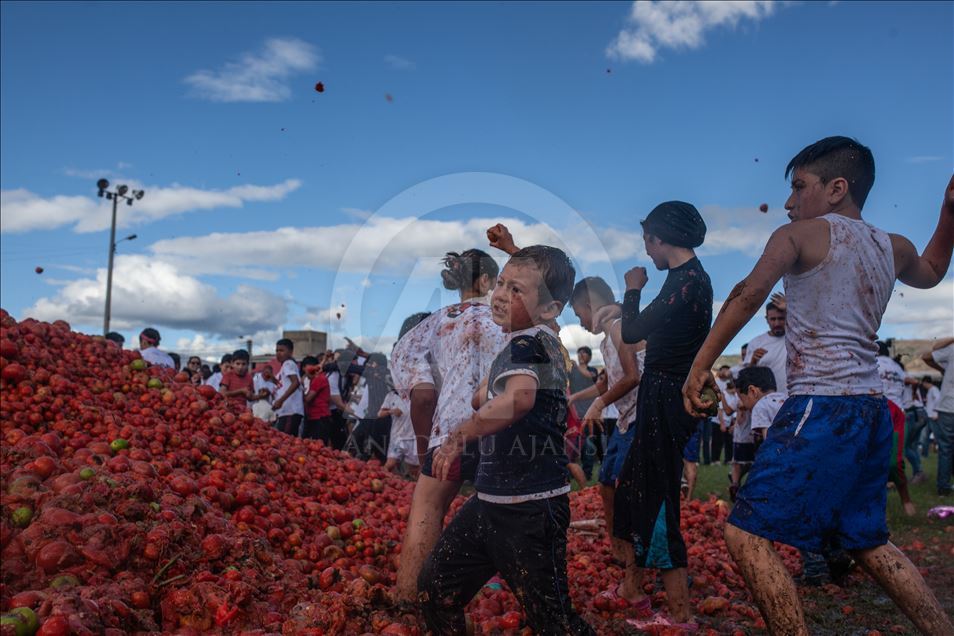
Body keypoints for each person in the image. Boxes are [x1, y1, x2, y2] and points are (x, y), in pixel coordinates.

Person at [683, 137, 954, 635]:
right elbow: (934, 271)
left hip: (822, 405)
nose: (789, 202)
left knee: (745, 534)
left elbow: (748, 294)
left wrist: (701, 362)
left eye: (798, 187)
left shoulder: (800, 235)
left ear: (836, 188)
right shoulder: (893, 246)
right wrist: (948, 211)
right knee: (867, 541)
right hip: (872, 409)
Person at [421, 244, 593, 635]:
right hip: (489, 503)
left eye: (517, 290)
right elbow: (494, 394)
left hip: (529, 513)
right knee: (436, 589)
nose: (500, 294)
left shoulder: (528, 342)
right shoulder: (530, 340)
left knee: (554, 622)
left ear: (549, 310)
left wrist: (460, 434)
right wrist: (485, 393)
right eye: (501, 283)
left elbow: (518, 398)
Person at [597, 201, 711, 630]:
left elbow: (632, 331)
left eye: (648, 242)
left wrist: (632, 288)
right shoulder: (683, 280)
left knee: (658, 496)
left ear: (660, 238)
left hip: (667, 397)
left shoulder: (688, 282)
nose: (646, 252)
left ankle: (680, 614)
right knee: (637, 490)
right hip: (658, 394)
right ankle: (632, 587)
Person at [389, 248, 506, 602]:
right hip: (504, 430)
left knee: (428, 506)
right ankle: (498, 591)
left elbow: (423, 397)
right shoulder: (512, 323)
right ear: (487, 281)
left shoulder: (429, 327)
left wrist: (426, 448)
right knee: (504, 511)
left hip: (450, 433)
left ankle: (410, 600)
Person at [568, 276, 647, 610]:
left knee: (629, 492)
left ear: (589, 306)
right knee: (606, 482)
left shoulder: (618, 327)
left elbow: (633, 377)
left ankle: (635, 567)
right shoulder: (606, 341)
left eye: (579, 314)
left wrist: (599, 406)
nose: (581, 323)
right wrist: (577, 396)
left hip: (644, 419)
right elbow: (605, 383)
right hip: (626, 422)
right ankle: (620, 548)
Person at [876, 341, 916, 515]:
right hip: (891, 412)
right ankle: (878, 504)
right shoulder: (898, 368)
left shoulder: (873, 363)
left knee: (892, 462)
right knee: (893, 462)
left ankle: (905, 498)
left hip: (891, 414)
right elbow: (909, 384)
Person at [922, 338, 954, 495]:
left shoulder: (952, 350)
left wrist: (942, 369)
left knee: (946, 449)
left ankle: (943, 488)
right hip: (947, 407)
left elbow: (927, 355)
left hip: (948, 407)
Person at [743, 296, 789, 392]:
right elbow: (747, 375)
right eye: (773, 319)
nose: (777, 323)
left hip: (795, 398)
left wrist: (790, 307)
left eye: (781, 318)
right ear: (766, 319)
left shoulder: (796, 337)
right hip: (768, 400)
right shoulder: (756, 343)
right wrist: (753, 361)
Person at [272, 338, 304, 436]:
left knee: (285, 441)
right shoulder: (285, 367)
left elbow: (295, 382)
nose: (278, 353)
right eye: (277, 350)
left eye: (282, 350)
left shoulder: (288, 363)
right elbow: (281, 384)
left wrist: (280, 400)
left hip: (290, 411)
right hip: (286, 412)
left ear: (290, 352)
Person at [302, 357, 333, 441]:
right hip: (317, 417)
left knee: (318, 445)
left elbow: (308, 399)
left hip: (319, 417)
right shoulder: (315, 379)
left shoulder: (318, 379)